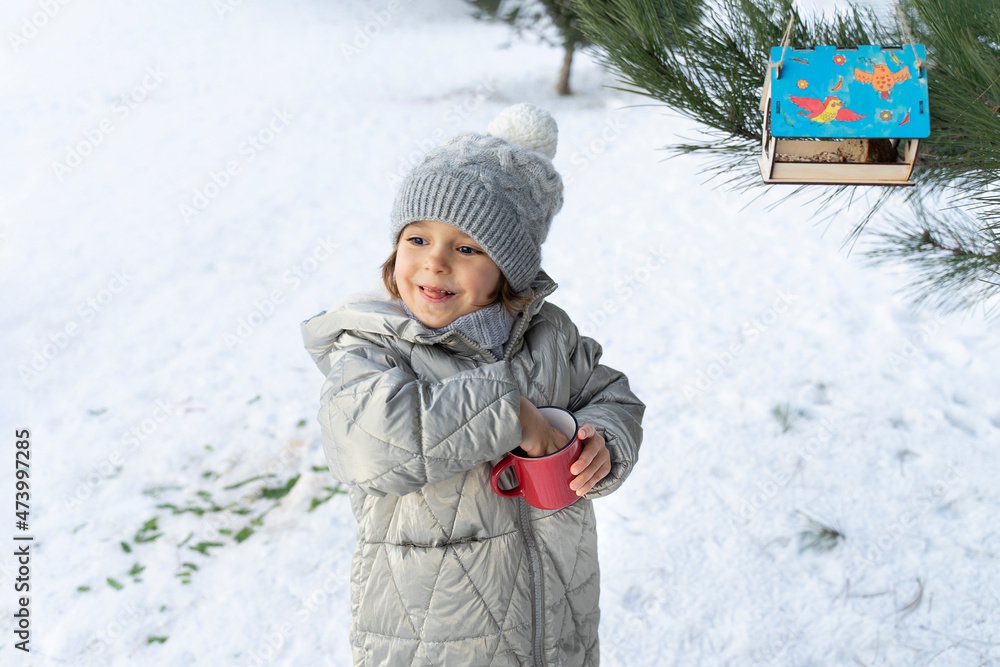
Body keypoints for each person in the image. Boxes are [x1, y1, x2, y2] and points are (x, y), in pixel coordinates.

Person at [301, 103, 644, 666]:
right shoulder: (371, 345)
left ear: (510, 270)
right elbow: (370, 444)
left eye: (466, 248)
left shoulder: (547, 337)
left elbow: (612, 395)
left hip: (558, 619)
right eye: (417, 239)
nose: (434, 263)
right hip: (436, 636)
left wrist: (605, 439)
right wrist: (513, 415)